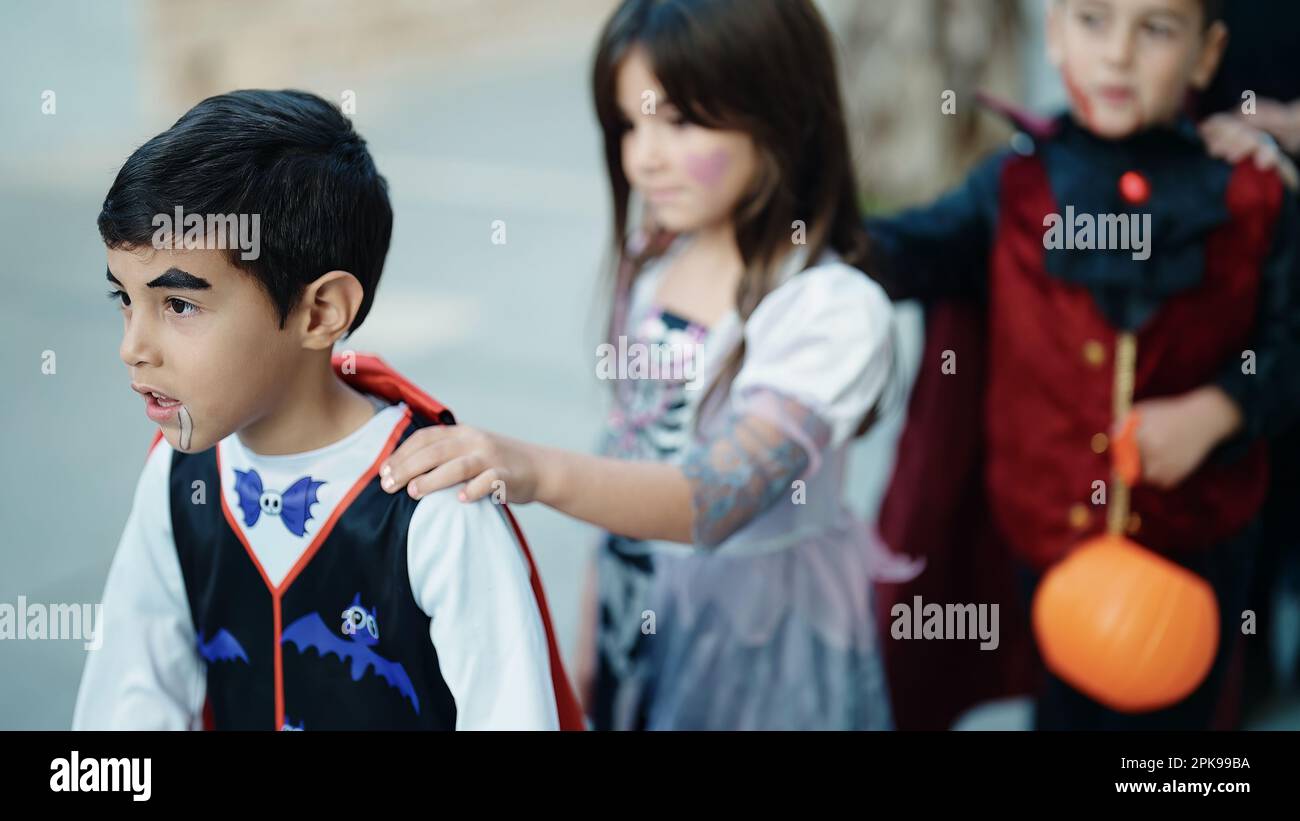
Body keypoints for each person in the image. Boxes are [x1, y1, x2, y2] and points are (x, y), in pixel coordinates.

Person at [380, 0, 919, 730]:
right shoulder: (657, 259)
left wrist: (534, 469)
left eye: (680, 121)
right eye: (630, 124)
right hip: (634, 620)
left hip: (759, 651)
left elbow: (712, 499)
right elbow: (626, 445)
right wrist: (585, 637)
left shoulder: (828, 310)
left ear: (780, 113)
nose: (644, 156)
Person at [72, 90, 581, 731]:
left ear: (320, 312)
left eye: (179, 305)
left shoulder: (435, 506)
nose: (133, 349)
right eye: (125, 298)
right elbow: (128, 702)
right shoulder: (177, 480)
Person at [868, 0, 1300, 729]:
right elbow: (907, 250)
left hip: (1194, 559)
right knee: (1062, 710)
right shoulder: (1015, 182)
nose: (1118, 54)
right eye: (1092, 20)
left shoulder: (1251, 196)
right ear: (1055, 33)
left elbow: (1290, 344)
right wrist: (797, 229)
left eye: (1156, 29)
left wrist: (1218, 409)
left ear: (1206, 52)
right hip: (1047, 549)